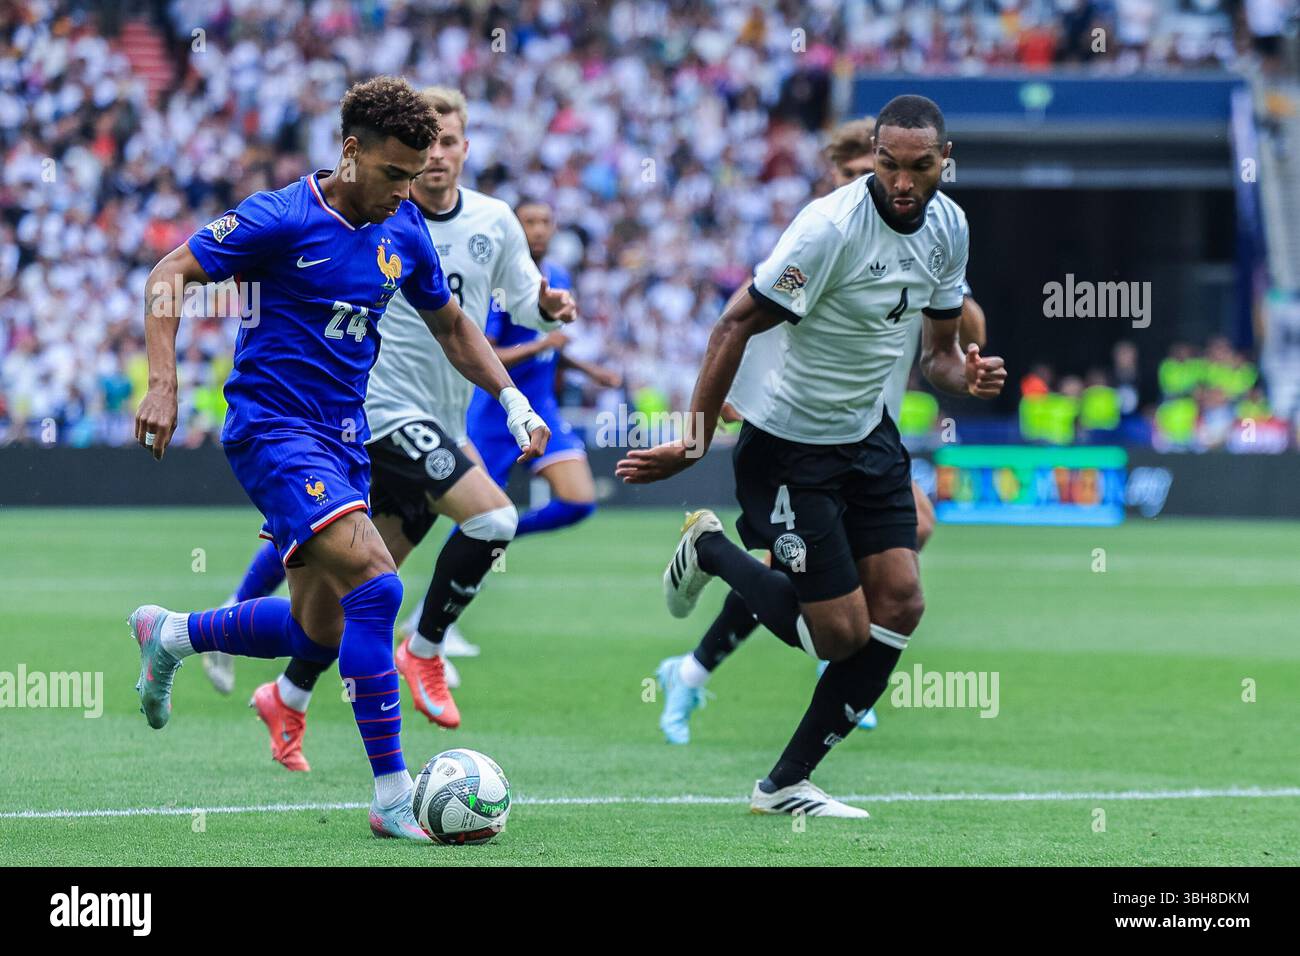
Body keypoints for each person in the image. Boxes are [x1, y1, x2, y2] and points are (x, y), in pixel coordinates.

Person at [128, 77, 558, 841]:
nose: (405, 191)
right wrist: (163, 383)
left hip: (344, 439)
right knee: (375, 581)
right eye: (394, 174)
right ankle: (393, 796)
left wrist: (513, 400)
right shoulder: (281, 217)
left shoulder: (404, 231)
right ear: (351, 151)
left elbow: (453, 325)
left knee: (314, 631)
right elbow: (171, 275)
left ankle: (175, 633)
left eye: (415, 173)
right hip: (273, 429)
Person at [617, 95, 1007, 817]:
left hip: (871, 436)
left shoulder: (949, 227)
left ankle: (784, 784)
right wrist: (695, 440)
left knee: (902, 602)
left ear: (943, 164)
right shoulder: (828, 229)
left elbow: (942, 356)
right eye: (888, 164)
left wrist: (969, 378)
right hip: (791, 447)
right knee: (838, 638)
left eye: (919, 166)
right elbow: (735, 321)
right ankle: (709, 550)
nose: (900, 180)